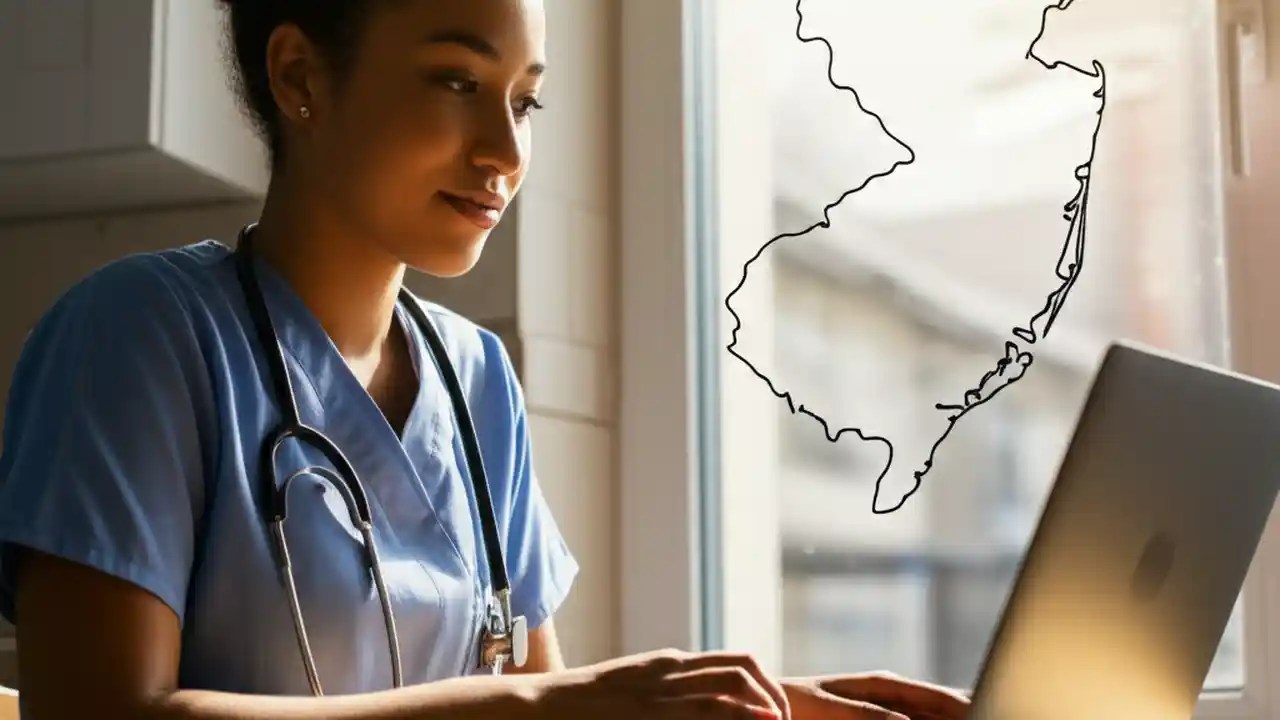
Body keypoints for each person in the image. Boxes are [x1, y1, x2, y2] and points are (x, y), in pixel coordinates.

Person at [0, 1, 971, 718]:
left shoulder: (474, 379)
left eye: (525, 101)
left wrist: (765, 702)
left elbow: (549, 696)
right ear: (299, 77)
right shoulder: (138, 334)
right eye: (457, 83)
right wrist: (542, 707)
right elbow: (102, 714)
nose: (504, 150)